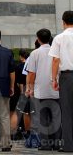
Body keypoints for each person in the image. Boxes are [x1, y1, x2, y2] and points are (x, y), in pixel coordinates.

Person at [25, 28, 60, 150]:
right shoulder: (56, 51)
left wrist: (29, 88)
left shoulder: (34, 53)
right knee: (56, 117)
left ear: (38, 39)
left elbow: (31, 74)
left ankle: (45, 144)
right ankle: (57, 143)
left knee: (43, 118)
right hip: (56, 89)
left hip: (40, 90)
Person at [51, 11, 73, 152]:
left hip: (67, 77)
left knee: (67, 112)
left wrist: (54, 79)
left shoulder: (59, 38)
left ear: (63, 22)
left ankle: (69, 145)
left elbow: (56, 60)